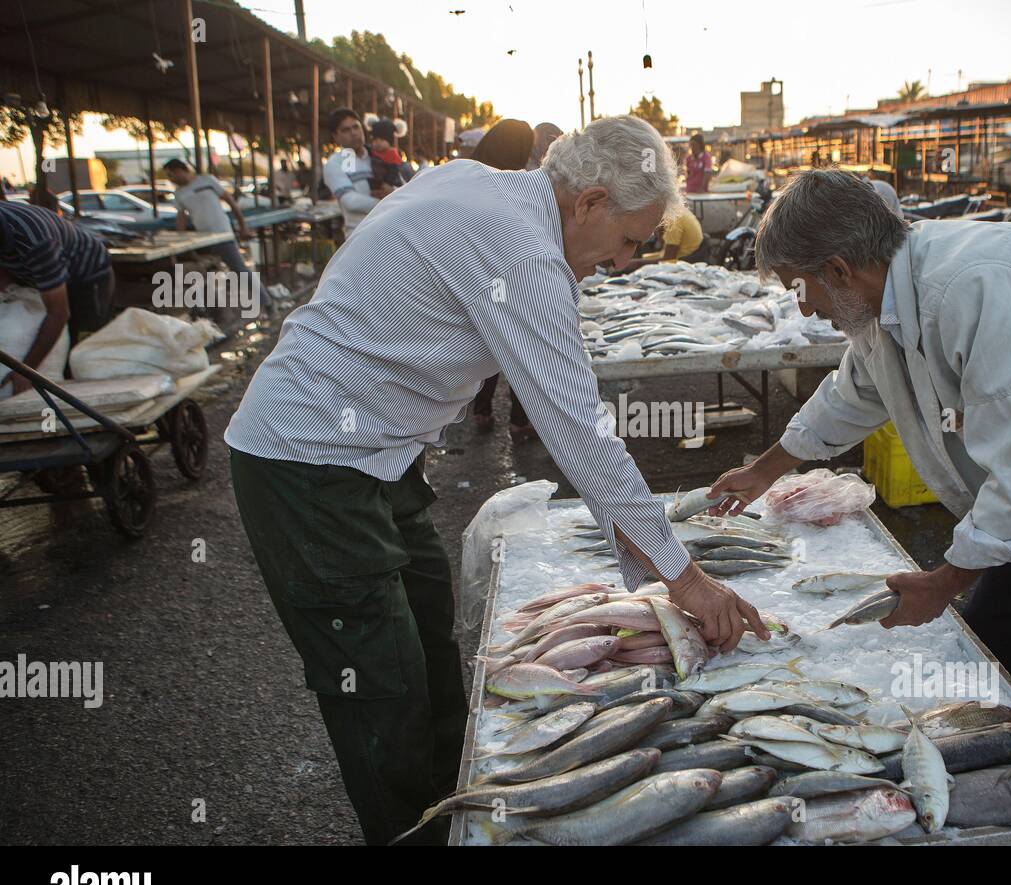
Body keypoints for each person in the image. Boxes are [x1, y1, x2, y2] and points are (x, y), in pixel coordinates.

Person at [223, 115, 767, 845]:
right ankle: (410, 834)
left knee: (431, 652)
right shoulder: (522, 249)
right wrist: (685, 577)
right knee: (379, 687)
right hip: (307, 465)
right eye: (630, 239)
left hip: (381, 456)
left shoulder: (477, 184)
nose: (624, 261)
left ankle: (464, 811)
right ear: (589, 201)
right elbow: (579, 428)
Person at [706, 170, 1011, 803]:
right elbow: (852, 394)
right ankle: (978, 788)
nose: (801, 306)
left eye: (798, 287)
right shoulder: (883, 299)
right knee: (990, 647)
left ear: (837, 268)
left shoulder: (972, 288)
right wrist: (764, 470)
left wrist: (943, 580)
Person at [465, 118, 537, 437]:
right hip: (511, 279)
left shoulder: (466, 175)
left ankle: (481, 412)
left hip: (474, 279)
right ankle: (521, 421)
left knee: (488, 348)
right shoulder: (516, 182)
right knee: (522, 352)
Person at [0, 200, 112, 393]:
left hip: (86, 277)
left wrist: (26, 371)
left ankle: (86, 409)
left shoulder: (36, 242)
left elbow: (59, 313)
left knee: (83, 352)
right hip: (37, 275)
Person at [163, 158, 273, 318]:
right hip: (202, 238)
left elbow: (230, 201)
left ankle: (267, 303)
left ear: (180, 170)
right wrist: (182, 239)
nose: (170, 179)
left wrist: (242, 225)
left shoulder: (206, 180)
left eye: (171, 174)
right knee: (199, 271)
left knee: (239, 269)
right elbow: (181, 218)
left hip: (222, 233)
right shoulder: (179, 193)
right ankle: (211, 314)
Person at [322, 107, 392, 236]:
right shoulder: (334, 164)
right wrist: (391, 203)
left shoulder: (379, 157)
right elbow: (351, 201)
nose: (353, 133)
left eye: (356, 127)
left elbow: (404, 184)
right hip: (360, 236)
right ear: (335, 137)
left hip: (391, 230)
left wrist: (392, 191)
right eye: (346, 130)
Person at [618, 207, 707, 271]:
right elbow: (663, 243)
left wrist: (637, 264)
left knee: (630, 266)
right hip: (683, 253)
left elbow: (668, 259)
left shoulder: (673, 221)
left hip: (683, 261)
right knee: (640, 259)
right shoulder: (675, 210)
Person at [367, 117, 415, 189]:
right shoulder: (369, 156)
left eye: (382, 139)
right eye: (375, 139)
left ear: (390, 140)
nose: (378, 142)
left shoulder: (400, 163)